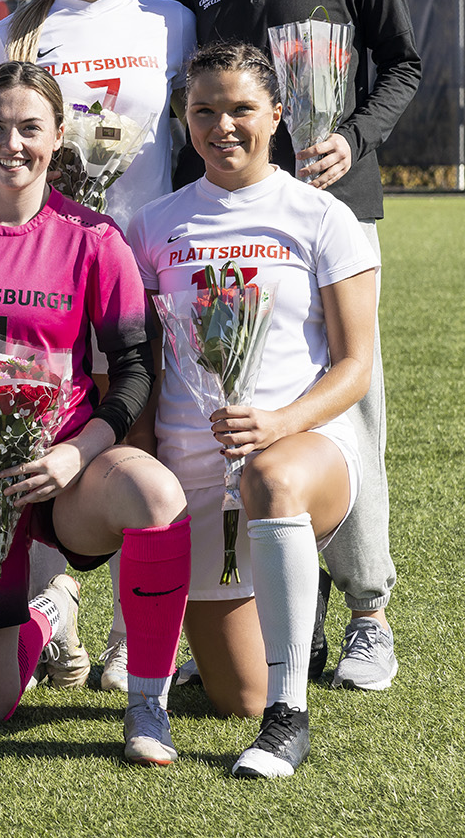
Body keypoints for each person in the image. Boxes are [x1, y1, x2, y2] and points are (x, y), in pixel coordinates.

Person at [171, 0, 421, 689]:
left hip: (331, 211)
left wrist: (354, 138)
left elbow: (403, 63)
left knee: (348, 402)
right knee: (239, 403)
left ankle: (369, 613)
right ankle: (275, 610)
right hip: (231, 227)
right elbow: (193, 94)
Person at [0, 60, 192, 766]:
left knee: (154, 493)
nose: (11, 144)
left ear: (57, 136)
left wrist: (74, 455)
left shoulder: (96, 238)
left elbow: (135, 372)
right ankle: (52, 610)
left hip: (63, 479)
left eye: (30, 127)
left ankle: (147, 706)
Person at [0, 0, 196, 692]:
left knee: (141, 444)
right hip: (46, 278)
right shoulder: (10, 36)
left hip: (149, 274)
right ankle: (52, 608)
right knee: (41, 441)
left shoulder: (170, 23)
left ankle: (129, 639)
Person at [126, 41, 379, 778]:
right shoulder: (152, 226)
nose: (223, 126)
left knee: (272, 477)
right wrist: (143, 450)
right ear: (184, 118)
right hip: (195, 471)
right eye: (204, 110)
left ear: (276, 114)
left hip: (301, 450)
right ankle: (272, 637)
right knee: (236, 693)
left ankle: (288, 719)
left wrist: (279, 423)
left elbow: (355, 366)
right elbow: (145, 361)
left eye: (241, 108)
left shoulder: (322, 216)